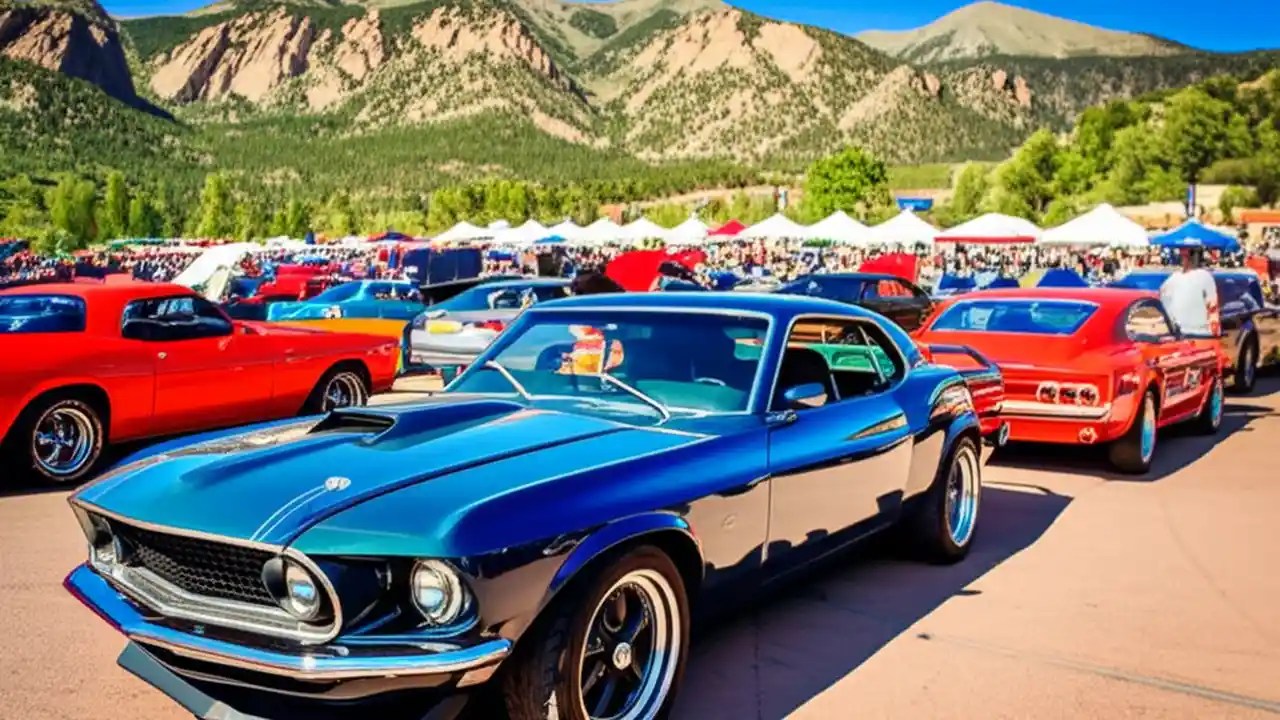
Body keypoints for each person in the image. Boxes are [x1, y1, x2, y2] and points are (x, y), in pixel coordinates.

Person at [1159, 247, 1219, 337]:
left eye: (1185, 256)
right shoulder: (1174, 277)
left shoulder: (1204, 276)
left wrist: (1214, 330)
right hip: (1179, 332)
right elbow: (1162, 296)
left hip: (1199, 333)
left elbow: (1213, 306)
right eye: (1182, 255)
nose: (1182, 259)